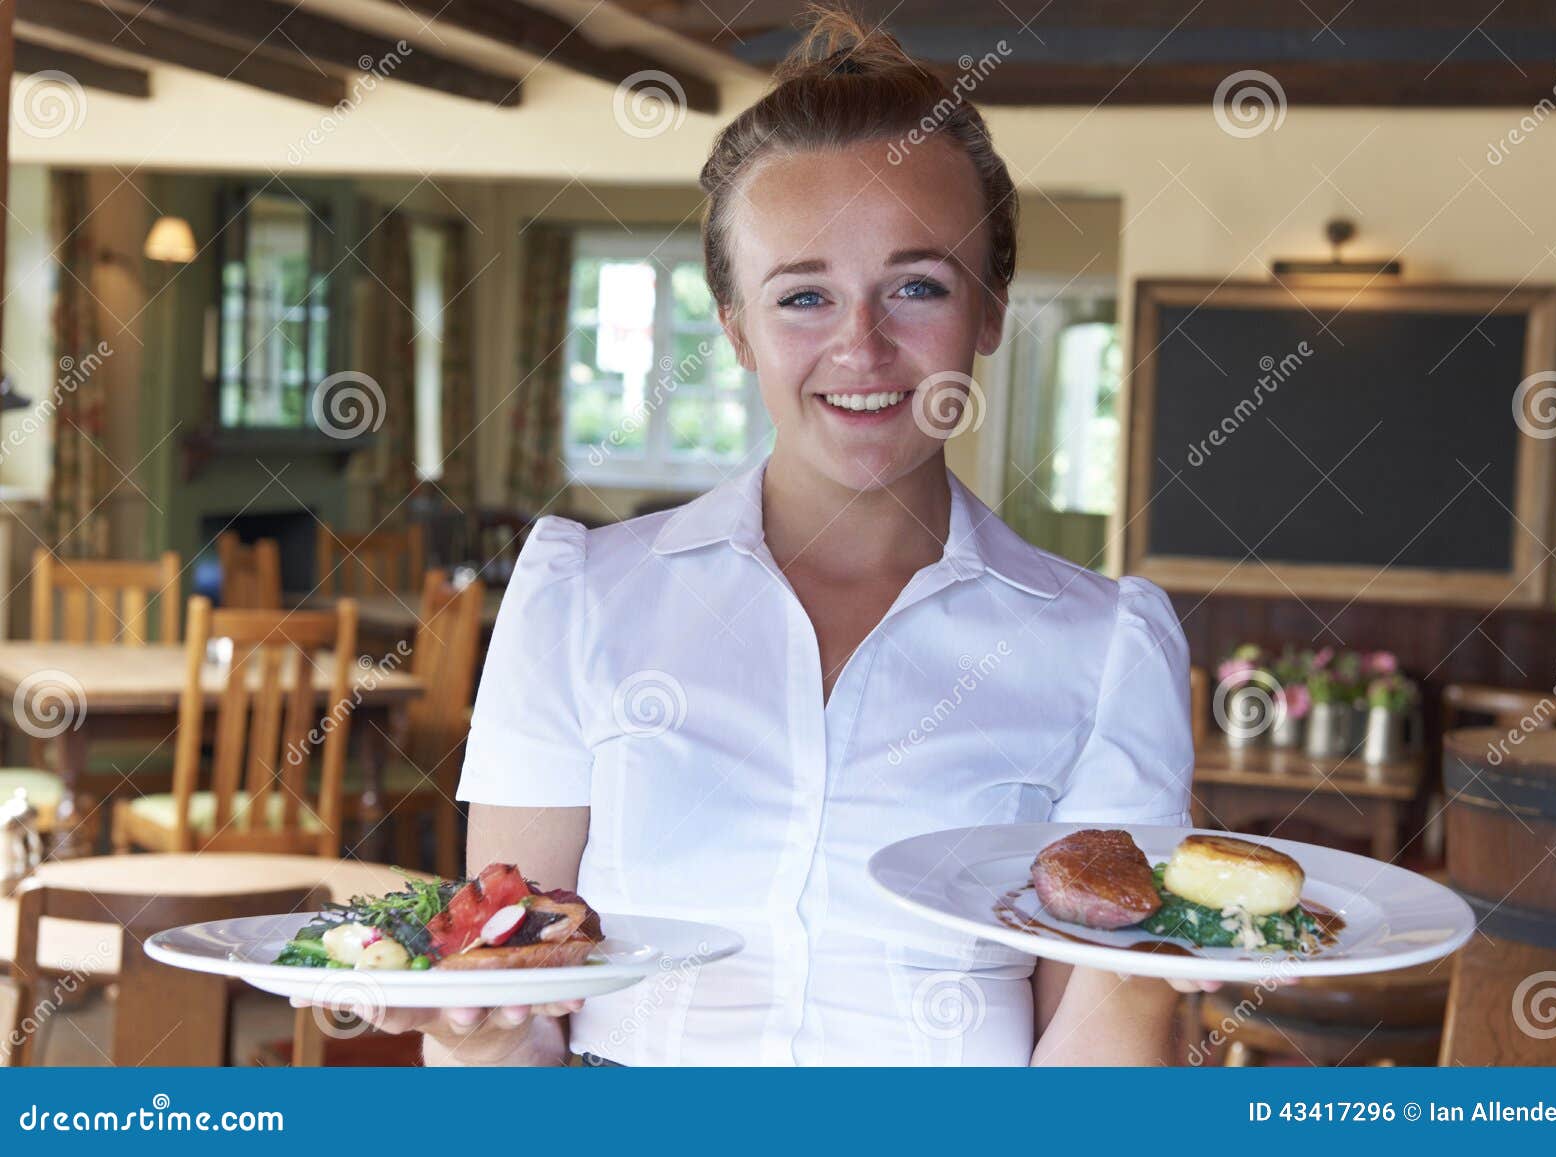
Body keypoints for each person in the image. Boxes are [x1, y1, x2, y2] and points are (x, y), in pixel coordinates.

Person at [366, 5, 1201, 1066]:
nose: (862, 346)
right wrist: (473, 1036)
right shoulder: (577, 596)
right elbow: (515, 1015)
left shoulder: (1108, 646)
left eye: (917, 286)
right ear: (735, 329)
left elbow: (1101, 1053)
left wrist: (1152, 967)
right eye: (803, 295)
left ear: (990, 309)